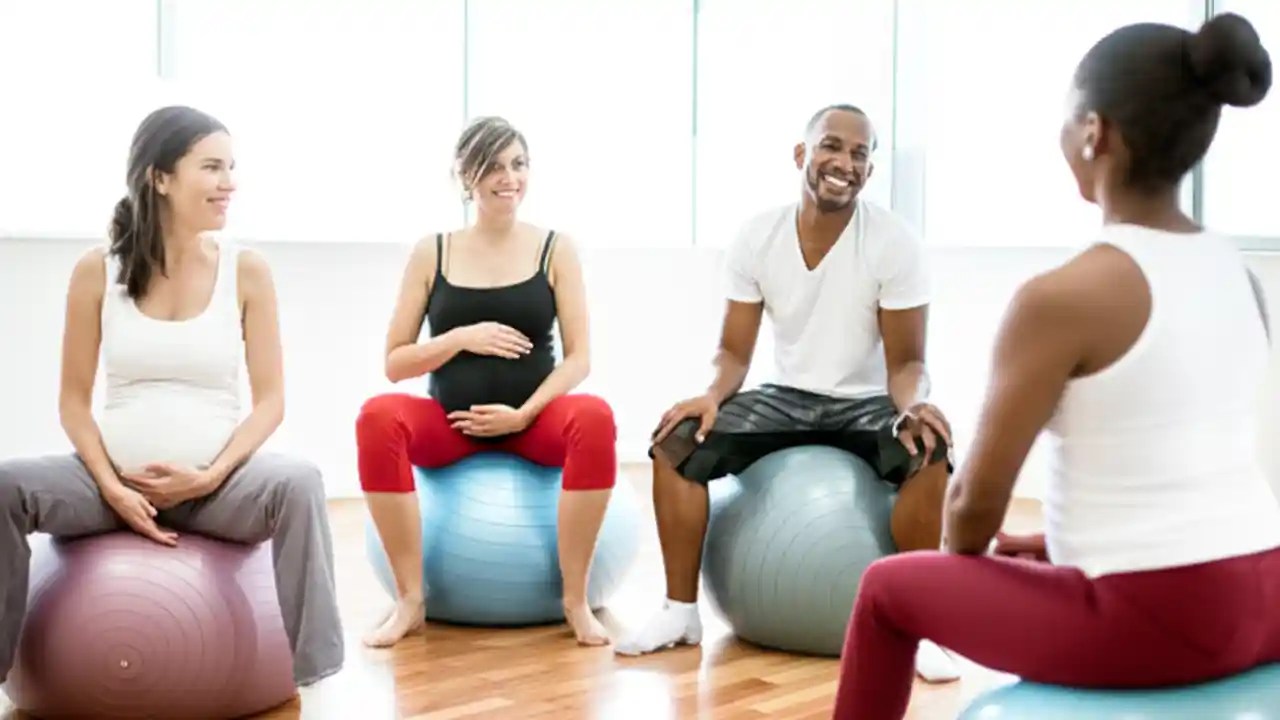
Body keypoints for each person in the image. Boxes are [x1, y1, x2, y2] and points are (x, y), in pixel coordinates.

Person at [830, 13, 1280, 720]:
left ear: (1094, 132)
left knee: (889, 590)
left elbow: (972, 510)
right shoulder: (1240, 276)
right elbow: (1176, 457)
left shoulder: (1062, 296)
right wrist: (1060, 543)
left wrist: (968, 561)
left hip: (1160, 624)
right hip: (1267, 596)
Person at [0, 106, 344, 690]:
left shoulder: (246, 270)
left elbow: (270, 403)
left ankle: (320, 681)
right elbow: (73, 401)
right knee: (6, 483)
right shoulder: (96, 271)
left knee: (301, 482)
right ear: (160, 177)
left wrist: (209, 477)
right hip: (112, 488)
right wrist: (111, 484)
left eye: (231, 167)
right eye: (212, 167)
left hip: (216, 491)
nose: (229, 183)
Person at [615, 104, 956, 660]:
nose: (844, 162)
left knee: (931, 449)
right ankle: (680, 613)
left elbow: (906, 363)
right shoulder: (758, 236)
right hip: (788, 398)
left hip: (867, 404)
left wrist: (915, 406)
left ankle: (919, 631)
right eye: (831, 146)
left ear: (869, 172)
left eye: (859, 153)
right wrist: (710, 395)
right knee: (674, 443)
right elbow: (732, 350)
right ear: (802, 154)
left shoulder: (894, 242)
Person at [355, 116, 617, 649]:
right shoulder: (434, 252)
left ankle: (575, 601)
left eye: (518, 164)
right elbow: (396, 363)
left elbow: (579, 359)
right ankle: (410, 601)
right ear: (465, 175)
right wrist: (460, 337)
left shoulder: (555, 249)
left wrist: (524, 413)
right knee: (377, 416)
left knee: (594, 416)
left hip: (533, 422)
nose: (508, 178)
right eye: (494, 166)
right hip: (452, 423)